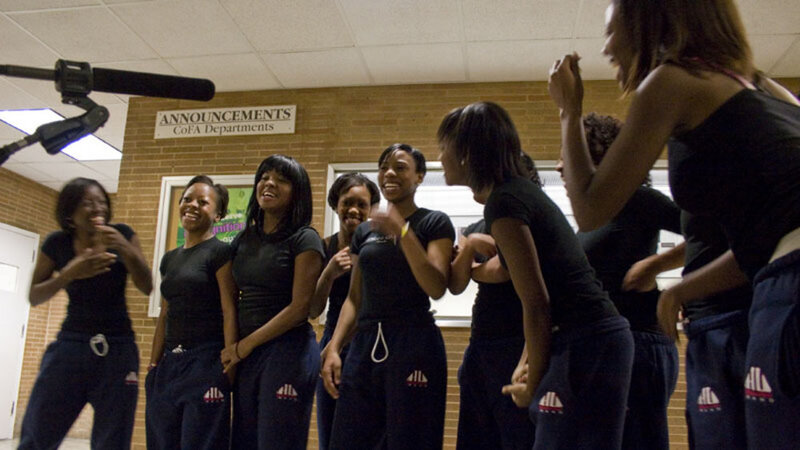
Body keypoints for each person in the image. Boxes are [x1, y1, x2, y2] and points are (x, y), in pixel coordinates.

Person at [548, 1, 800, 447]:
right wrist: (683, 288)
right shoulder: (762, 87)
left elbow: (589, 208)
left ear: (651, 20)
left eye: (612, 29)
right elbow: (763, 241)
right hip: (768, 282)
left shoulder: (672, 80)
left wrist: (569, 109)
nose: (607, 47)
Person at [438, 101, 633, 449]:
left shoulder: (506, 201)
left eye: (444, 147)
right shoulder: (512, 194)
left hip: (590, 340)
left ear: (467, 152)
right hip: (584, 339)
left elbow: (536, 302)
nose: (440, 157)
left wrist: (534, 380)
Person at [320, 143, 454, 449]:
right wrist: (335, 347)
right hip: (364, 344)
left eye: (400, 167)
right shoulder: (365, 232)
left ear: (419, 176)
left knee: (409, 440)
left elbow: (435, 286)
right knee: (349, 439)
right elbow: (355, 298)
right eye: (383, 167)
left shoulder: (434, 222)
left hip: (413, 342)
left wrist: (403, 232)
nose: (389, 173)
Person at [561, 113, 681, 449]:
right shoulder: (589, 220)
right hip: (602, 347)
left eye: (569, 154)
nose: (560, 165)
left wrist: (655, 266)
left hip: (640, 345)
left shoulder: (638, 200)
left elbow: (709, 230)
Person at [20, 177, 152, 449]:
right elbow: (34, 296)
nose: (97, 209)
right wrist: (69, 273)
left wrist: (125, 249)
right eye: (88, 203)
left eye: (102, 202)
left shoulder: (123, 234)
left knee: (112, 440)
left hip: (117, 348)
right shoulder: (58, 243)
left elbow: (147, 285)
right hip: (71, 345)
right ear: (70, 213)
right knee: (38, 431)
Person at [220, 155, 324, 449]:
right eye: (265, 176)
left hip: (287, 352)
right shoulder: (243, 239)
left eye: (281, 179)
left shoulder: (305, 239)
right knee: (243, 441)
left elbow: (299, 309)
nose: (269, 183)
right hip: (247, 354)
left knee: (276, 441)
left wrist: (244, 345)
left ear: (297, 192)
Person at [626, 212, 752, 449]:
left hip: (737, 321)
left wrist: (681, 290)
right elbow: (703, 237)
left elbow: (761, 240)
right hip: (702, 326)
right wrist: (660, 265)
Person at [449, 153, 540, 450]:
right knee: (475, 437)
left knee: (516, 436)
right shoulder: (481, 224)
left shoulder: (529, 219)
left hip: (516, 343)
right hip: (481, 344)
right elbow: (458, 281)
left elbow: (506, 270)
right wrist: (474, 245)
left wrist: (477, 260)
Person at [146, 175, 238, 449]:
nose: (192, 205)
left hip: (206, 363)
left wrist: (230, 365)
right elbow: (165, 313)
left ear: (218, 214)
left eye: (203, 202)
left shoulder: (220, 252)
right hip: (169, 366)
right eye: (187, 199)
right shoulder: (169, 259)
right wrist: (153, 366)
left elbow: (229, 309)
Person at [309, 172, 380, 450]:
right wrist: (328, 273)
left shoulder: (379, 248)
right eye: (347, 202)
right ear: (335, 204)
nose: (354, 210)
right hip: (331, 344)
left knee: (366, 434)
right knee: (330, 429)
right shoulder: (323, 247)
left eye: (362, 204)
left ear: (372, 209)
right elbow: (313, 310)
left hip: (368, 344)